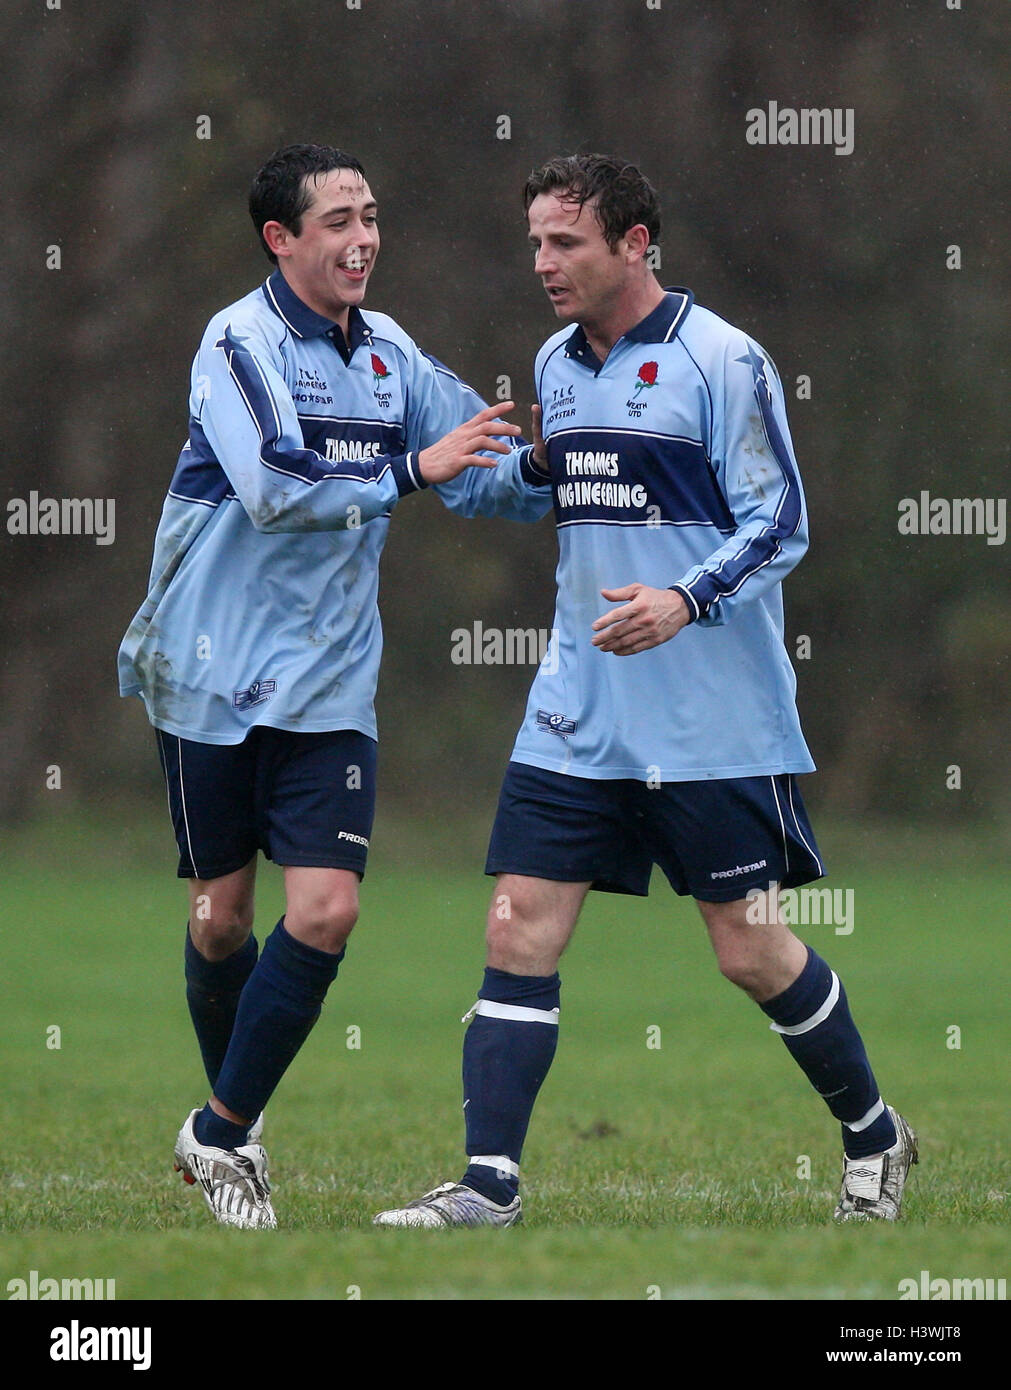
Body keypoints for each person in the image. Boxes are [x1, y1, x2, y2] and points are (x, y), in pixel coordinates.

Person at [374, 153, 917, 1230]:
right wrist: (465, 468)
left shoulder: (724, 360)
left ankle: (872, 1135)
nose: (543, 262)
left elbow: (778, 521)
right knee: (517, 922)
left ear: (634, 244)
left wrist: (682, 597)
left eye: (564, 241)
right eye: (534, 240)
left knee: (747, 946)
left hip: (711, 721)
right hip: (578, 711)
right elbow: (559, 483)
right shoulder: (557, 364)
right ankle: (489, 1184)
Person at [117, 143, 553, 1229]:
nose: (364, 238)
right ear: (282, 239)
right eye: (339, 221)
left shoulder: (391, 354)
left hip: (330, 692)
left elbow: (480, 466)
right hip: (208, 675)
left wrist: (566, 466)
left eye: (372, 215)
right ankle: (242, 1137)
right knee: (221, 923)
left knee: (327, 910)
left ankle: (216, 1132)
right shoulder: (237, 342)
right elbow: (271, 487)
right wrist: (411, 472)